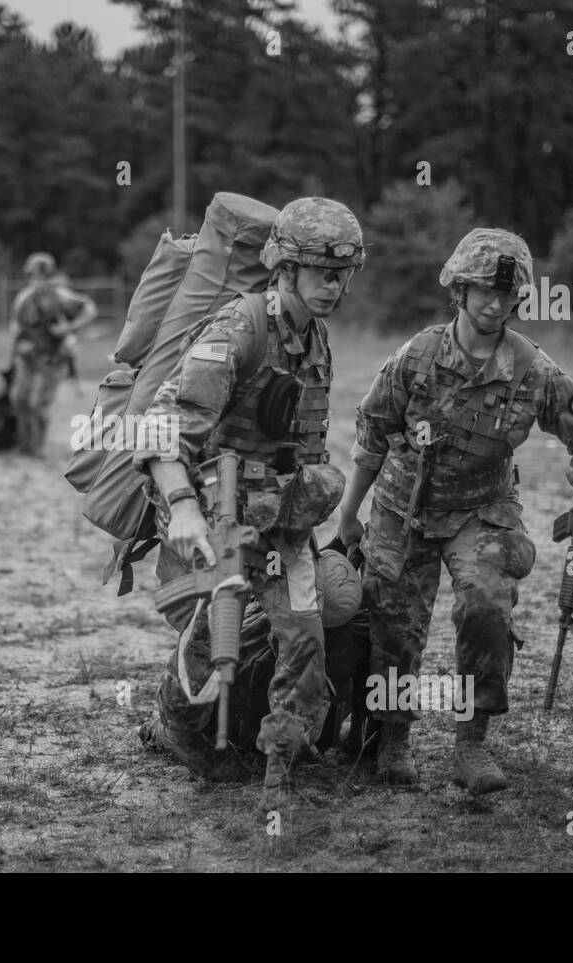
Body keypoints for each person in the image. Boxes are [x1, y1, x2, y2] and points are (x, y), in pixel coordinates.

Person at [334, 228, 573, 794]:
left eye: (506, 295)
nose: (494, 304)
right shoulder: (417, 355)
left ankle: (473, 742)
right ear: (458, 290)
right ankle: (392, 738)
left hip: (481, 511)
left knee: (486, 606)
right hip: (401, 507)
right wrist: (346, 516)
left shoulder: (532, 367)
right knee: (394, 626)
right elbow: (372, 439)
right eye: (483, 290)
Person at [133, 197, 366, 812]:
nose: (333, 286)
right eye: (320, 272)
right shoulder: (239, 328)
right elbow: (160, 429)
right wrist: (182, 506)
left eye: (341, 274)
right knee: (217, 634)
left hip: (280, 516)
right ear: (284, 268)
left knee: (307, 633)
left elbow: (302, 448)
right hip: (214, 511)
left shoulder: (316, 339)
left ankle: (279, 770)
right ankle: (174, 723)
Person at [8, 252, 97, 456]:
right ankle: (24, 443)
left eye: (41, 277)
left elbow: (90, 309)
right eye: (32, 277)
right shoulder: (23, 299)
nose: (36, 281)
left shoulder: (61, 296)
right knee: (20, 399)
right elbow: (16, 327)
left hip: (53, 357)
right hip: (28, 356)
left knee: (39, 403)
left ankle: (37, 446)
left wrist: (69, 328)